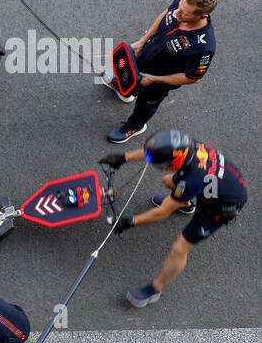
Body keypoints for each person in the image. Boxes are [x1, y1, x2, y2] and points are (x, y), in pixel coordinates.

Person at [103, 129, 247, 308]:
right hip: (211, 184)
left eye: (160, 164)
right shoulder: (186, 147)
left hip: (220, 206)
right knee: (168, 181)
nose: (156, 165)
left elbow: (161, 213)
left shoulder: (192, 178)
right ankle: (185, 204)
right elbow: (152, 153)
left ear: (176, 160)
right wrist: (122, 158)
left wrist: (130, 222)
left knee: (180, 247)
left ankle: (155, 288)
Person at [103, 0, 217, 145]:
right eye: (179, 7)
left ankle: (135, 126)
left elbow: (193, 78)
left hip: (159, 79)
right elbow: (165, 15)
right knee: (130, 75)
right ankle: (127, 89)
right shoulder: (182, 3)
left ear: (202, 16)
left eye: (185, 13)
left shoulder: (204, 47)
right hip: (147, 54)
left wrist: (154, 79)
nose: (177, 13)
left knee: (146, 102)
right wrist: (143, 41)